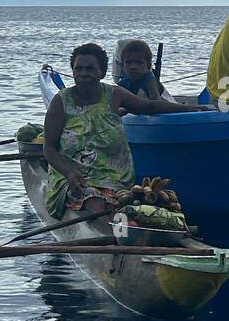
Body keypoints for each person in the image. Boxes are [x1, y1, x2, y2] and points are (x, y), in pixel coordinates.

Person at [43, 42, 206, 218]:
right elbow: (49, 147)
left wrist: (189, 109)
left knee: (135, 208)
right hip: (75, 178)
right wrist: (69, 174)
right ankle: (111, 238)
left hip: (114, 178)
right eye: (78, 69)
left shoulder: (114, 95)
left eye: (90, 69)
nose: (83, 74)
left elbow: (150, 106)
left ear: (102, 72)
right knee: (98, 206)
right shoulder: (61, 101)